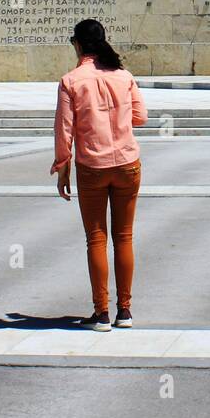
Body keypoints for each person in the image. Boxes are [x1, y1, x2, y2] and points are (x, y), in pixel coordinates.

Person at [51, 19, 147, 332]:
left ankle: (101, 313)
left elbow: (64, 129)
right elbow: (140, 118)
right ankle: (125, 311)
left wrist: (62, 166)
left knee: (96, 238)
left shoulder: (70, 80)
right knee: (124, 237)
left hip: (92, 166)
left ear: (77, 44)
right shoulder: (124, 76)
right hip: (127, 163)